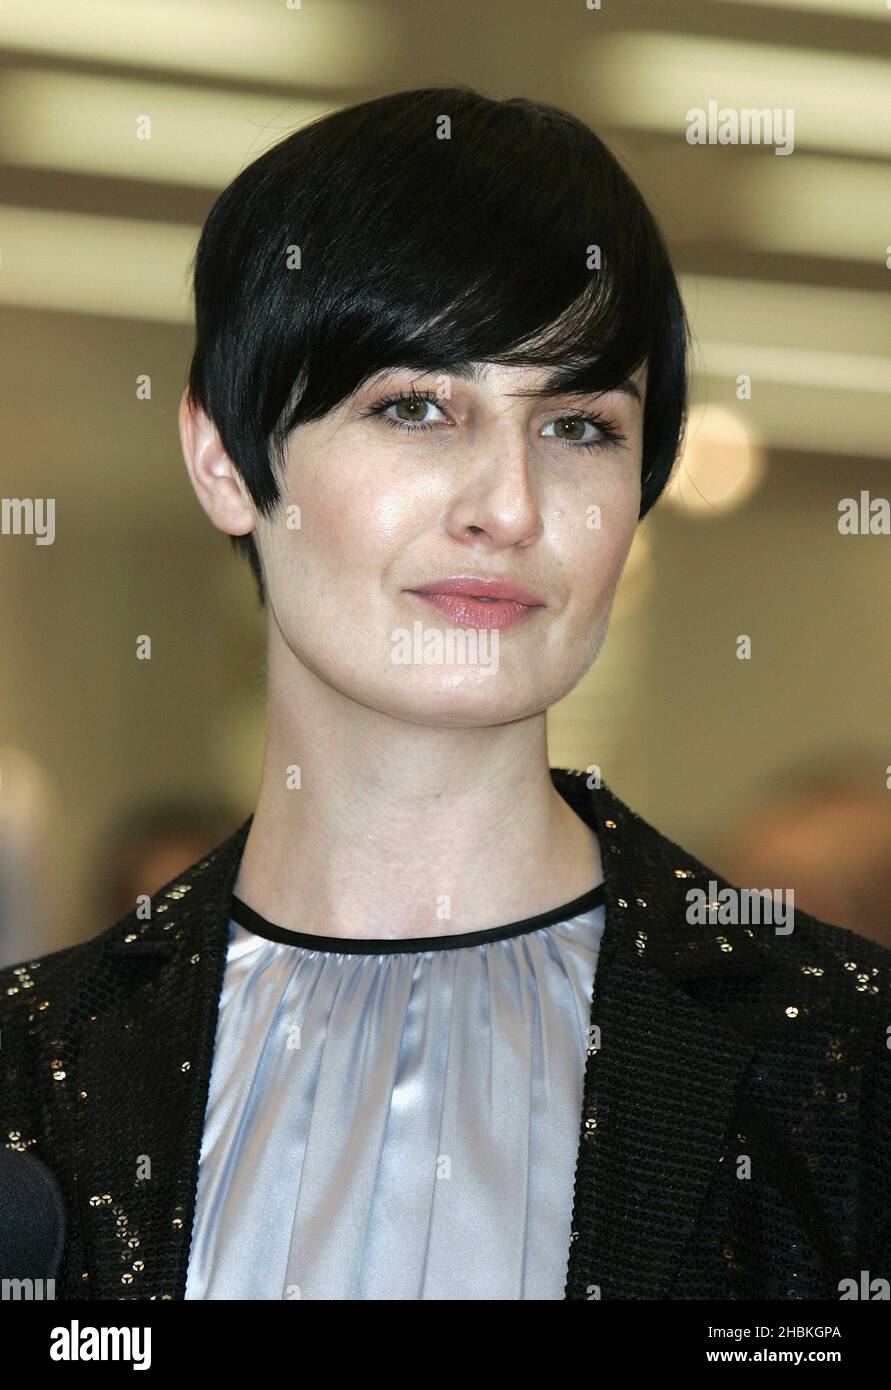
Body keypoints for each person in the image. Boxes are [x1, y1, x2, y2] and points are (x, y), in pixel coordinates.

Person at [1, 86, 888, 1302]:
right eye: (415, 408)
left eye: (578, 425)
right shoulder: (35, 1076)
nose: (509, 506)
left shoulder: (840, 1065)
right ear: (222, 458)